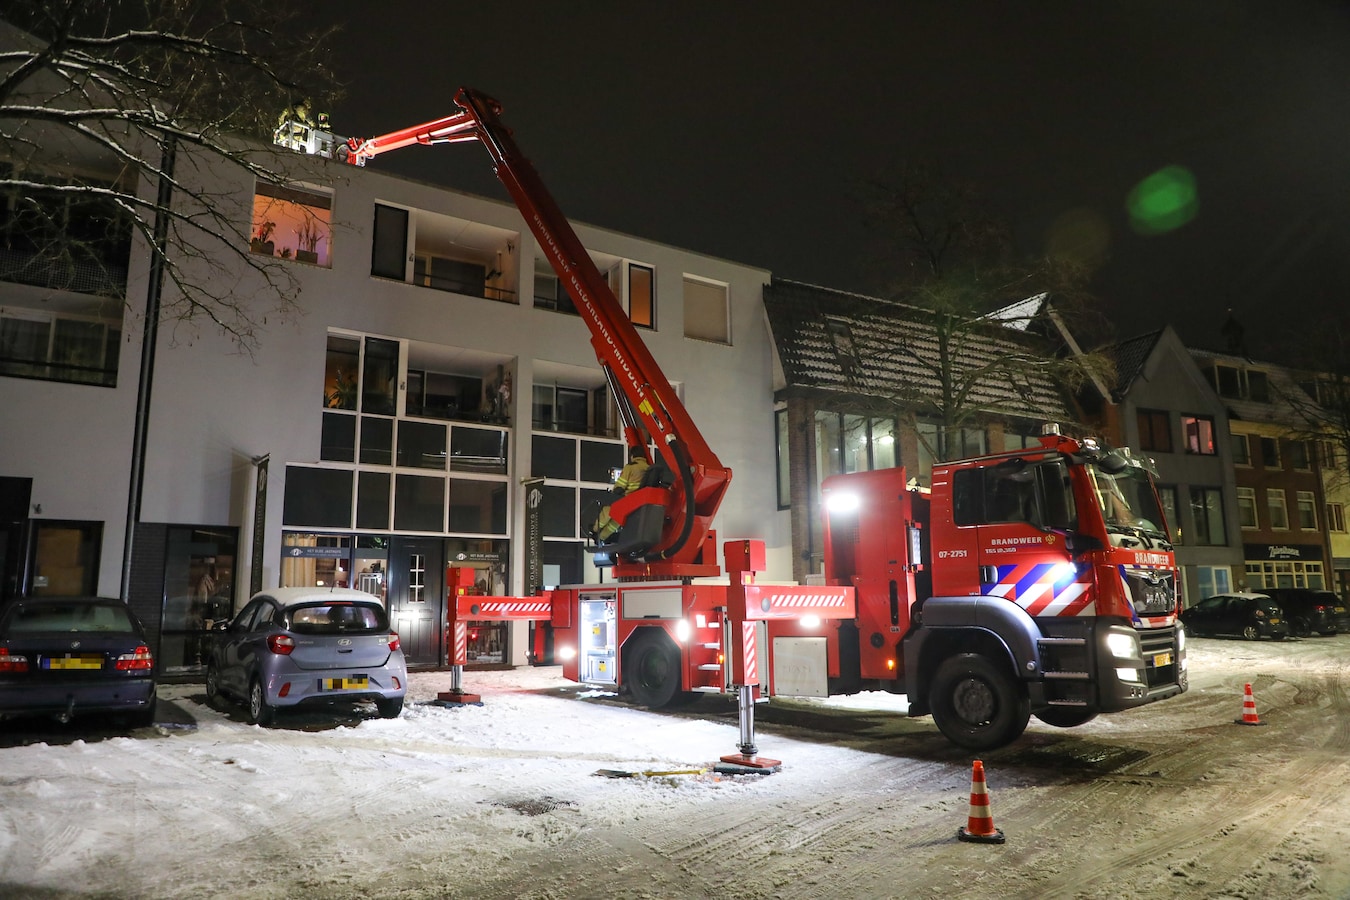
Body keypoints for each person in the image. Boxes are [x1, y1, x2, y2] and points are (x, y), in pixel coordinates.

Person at [593, 449, 650, 541]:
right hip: (639, 502)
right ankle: (602, 537)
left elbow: (620, 486)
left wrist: (613, 494)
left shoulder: (630, 467)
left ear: (632, 456)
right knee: (617, 520)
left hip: (628, 499)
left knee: (608, 510)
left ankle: (595, 530)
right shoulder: (648, 468)